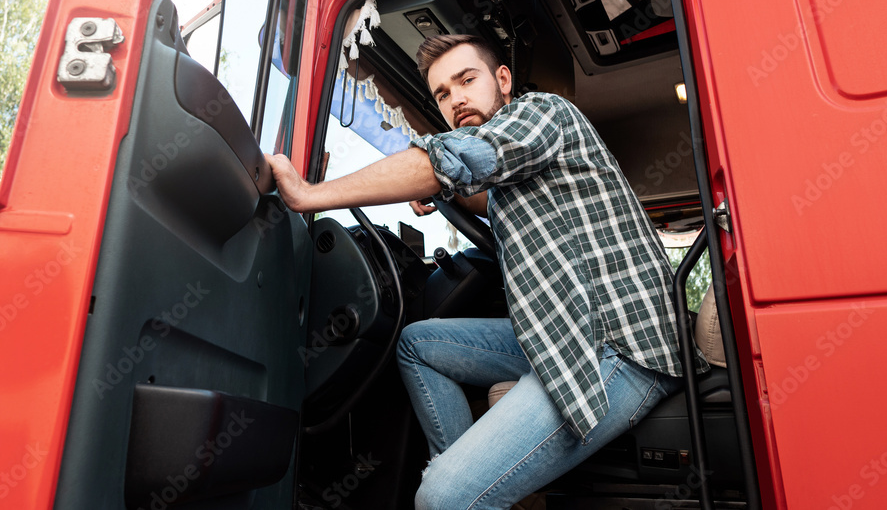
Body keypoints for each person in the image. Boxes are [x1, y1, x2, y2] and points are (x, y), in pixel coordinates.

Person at [265, 34, 703, 510]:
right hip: (568, 330)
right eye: (443, 94)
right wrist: (445, 192)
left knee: (440, 498)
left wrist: (308, 194)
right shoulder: (516, 167)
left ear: (503, 79)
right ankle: (481, 489)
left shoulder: (544, 113)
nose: (456, 100)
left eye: (466, 80)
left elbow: (454, 158)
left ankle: (456, 495)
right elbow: (481, 191)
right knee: (418, 344)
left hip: (620, 350)